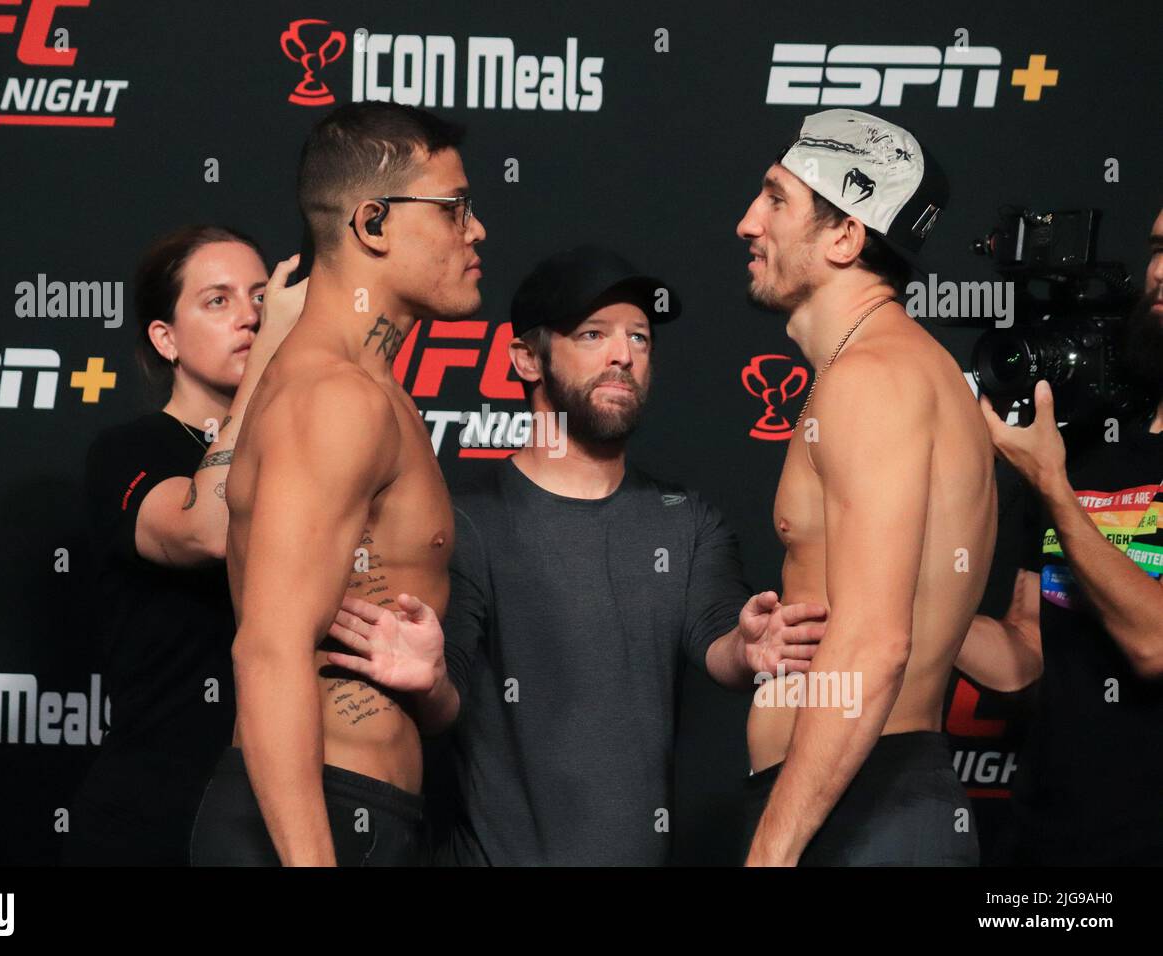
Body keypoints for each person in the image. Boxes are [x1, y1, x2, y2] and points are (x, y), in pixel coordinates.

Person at [328, 245, 828, 865]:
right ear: (527, 359)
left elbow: (721, 639)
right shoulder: (464, 520)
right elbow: (444, 696)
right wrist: (426, 682)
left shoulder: (687, 520)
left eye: (640, 339)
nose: (624, 355)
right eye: (593, 334)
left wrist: (753, 648)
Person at [189, 101, 486, 867]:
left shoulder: (376, 388)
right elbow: (267, 650)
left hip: (366, 813)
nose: (475, 231)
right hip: (312, 824)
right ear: (373, 224)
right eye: (454, 209)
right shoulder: (333, 396)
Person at [735, 109, 996, 865]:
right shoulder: (905, 370)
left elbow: (876, 643)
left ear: (846, 238)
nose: (748, 222)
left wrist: (772, 852)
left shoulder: (871, 380)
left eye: (777, 199)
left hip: (858, 811)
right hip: (867, 800)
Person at [64, 225, 305, 865]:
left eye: (261, 297)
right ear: (164, 338)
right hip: (154, 819)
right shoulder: (127, 452)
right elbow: (211, 527)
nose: (251, 318)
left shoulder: (305, 457)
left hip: (279, 816)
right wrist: (263, 376)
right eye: (217, 300)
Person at [957, 205, 1163, 864]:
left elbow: (1155, 643)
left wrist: (1052, 488)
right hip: (1044, 841)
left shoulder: (1054, 473)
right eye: (1158, 249)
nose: (1161, 271)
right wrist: (904, 601)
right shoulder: (1081, 454)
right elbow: (1027, 652)